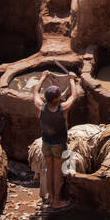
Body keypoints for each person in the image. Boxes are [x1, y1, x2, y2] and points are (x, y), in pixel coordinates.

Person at [33, 76, 79, 208]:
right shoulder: (62, 108)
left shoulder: (40, 106)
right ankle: (57, 202)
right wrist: (71, 80)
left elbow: (35, 92)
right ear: (56, 99)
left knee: (49, 170)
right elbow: (74, 96)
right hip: (59, 145)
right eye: (59, 95)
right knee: (57, 172)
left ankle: (50, 197)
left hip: (46, 143)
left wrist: (43, 77)